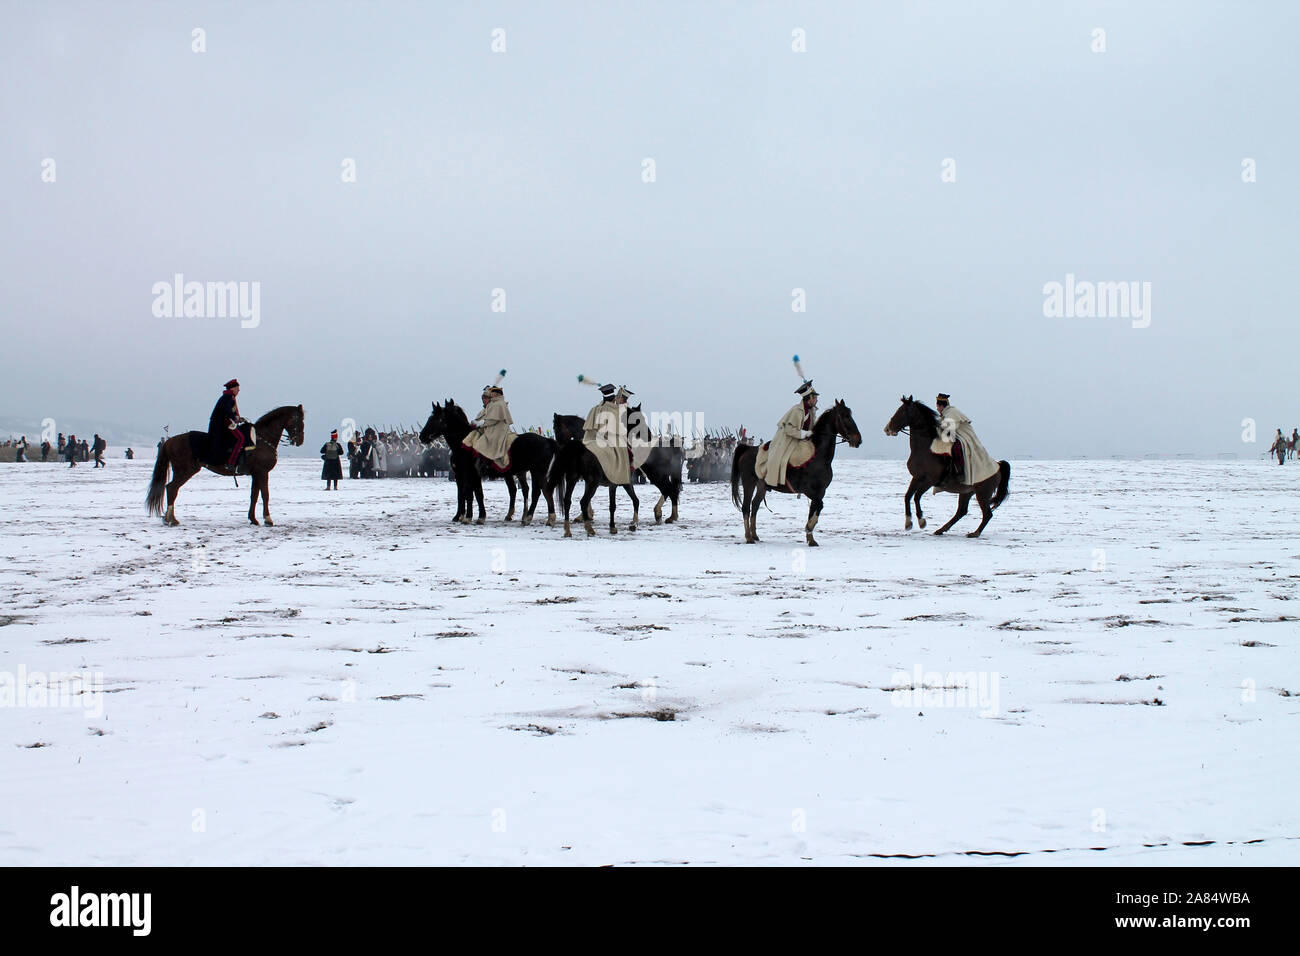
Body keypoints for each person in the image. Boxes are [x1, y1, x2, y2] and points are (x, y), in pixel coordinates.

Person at [931, 393, 998, 485]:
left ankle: (961, 471)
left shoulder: (952, 413)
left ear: (942, 406)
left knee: (956, 447)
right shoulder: (945, 414)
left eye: (938, 406)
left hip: (965, 437)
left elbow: (948, 429)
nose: (937, 409)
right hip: (955, 435)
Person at [764, 376, 817, 490]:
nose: (817, 399)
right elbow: (789, 430)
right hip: (788, 439)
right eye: (815, 397)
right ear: (810, 398)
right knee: (781, 458)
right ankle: (771, 480)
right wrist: (804, 434)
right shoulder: (797, 411)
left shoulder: (811, 411)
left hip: (802, 439)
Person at [462, 371, 516, 471]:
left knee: (480, 444)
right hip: (488, 430)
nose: (484, 400)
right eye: (483, 398)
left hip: (496, 431)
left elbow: (490, 420)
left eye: (486, 397)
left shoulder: (497, 405)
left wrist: (479, 424)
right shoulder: (485, 409)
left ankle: (486, 465)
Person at [581, 379, 631, 485]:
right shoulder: (614, 410)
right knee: (624, 451)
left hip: (590, 440)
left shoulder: (595, 409)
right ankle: (622, 473)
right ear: (614, 398)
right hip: (608, 440)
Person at [208, 379, 248, 470]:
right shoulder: (228, 397)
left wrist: (238, 418)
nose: (239, 391)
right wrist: (235, 418)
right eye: (237, 388)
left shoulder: (228, 397)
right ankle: (231, 463)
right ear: (233, 389)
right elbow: (228, 411)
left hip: (224, 424)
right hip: (223, 426)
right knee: (241, 438)